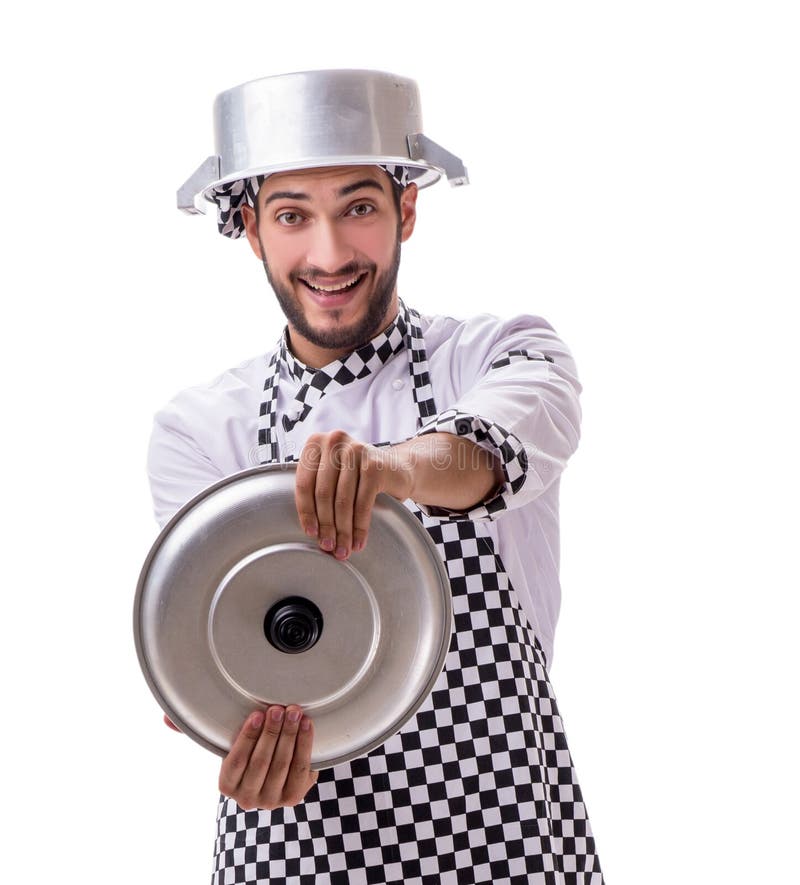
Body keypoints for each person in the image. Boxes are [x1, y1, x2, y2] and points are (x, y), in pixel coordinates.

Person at [148, 70, 604, 884]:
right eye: (292, 215)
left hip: (505, 848)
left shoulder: (504, 355)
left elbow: (491, 448)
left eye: (358, 206)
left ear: (408, 209)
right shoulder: (201, 430)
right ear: (251, 228)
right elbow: (203, 641)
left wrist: (392, 468)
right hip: (295, 855)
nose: (329, 254)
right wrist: (206, 711)